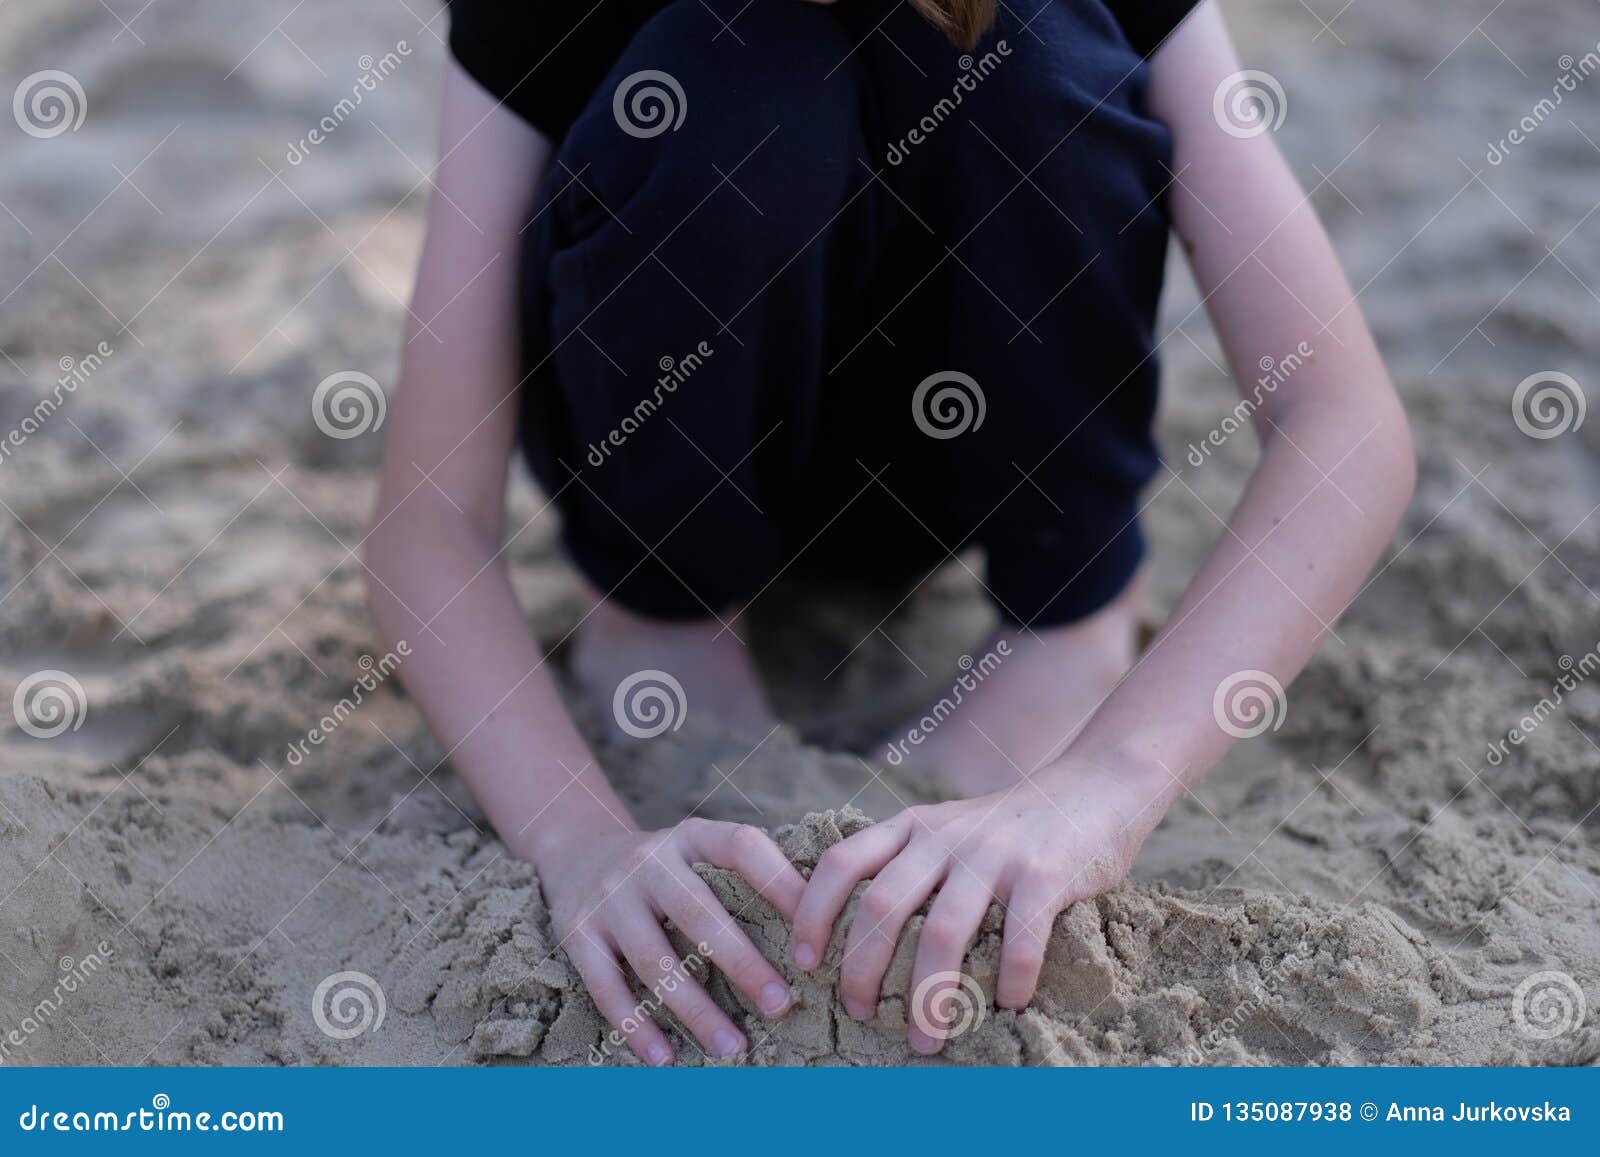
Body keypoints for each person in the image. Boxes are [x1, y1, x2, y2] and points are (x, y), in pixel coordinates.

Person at [364, 0, 1415, 1062]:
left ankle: (1066, 629)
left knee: (1027, 49)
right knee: (728, 74)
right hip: (663, 456)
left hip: (958, 452)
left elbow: (1343, 422)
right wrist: (576, 838)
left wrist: (1105, 784)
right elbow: (430, 522)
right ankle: (662, 622)